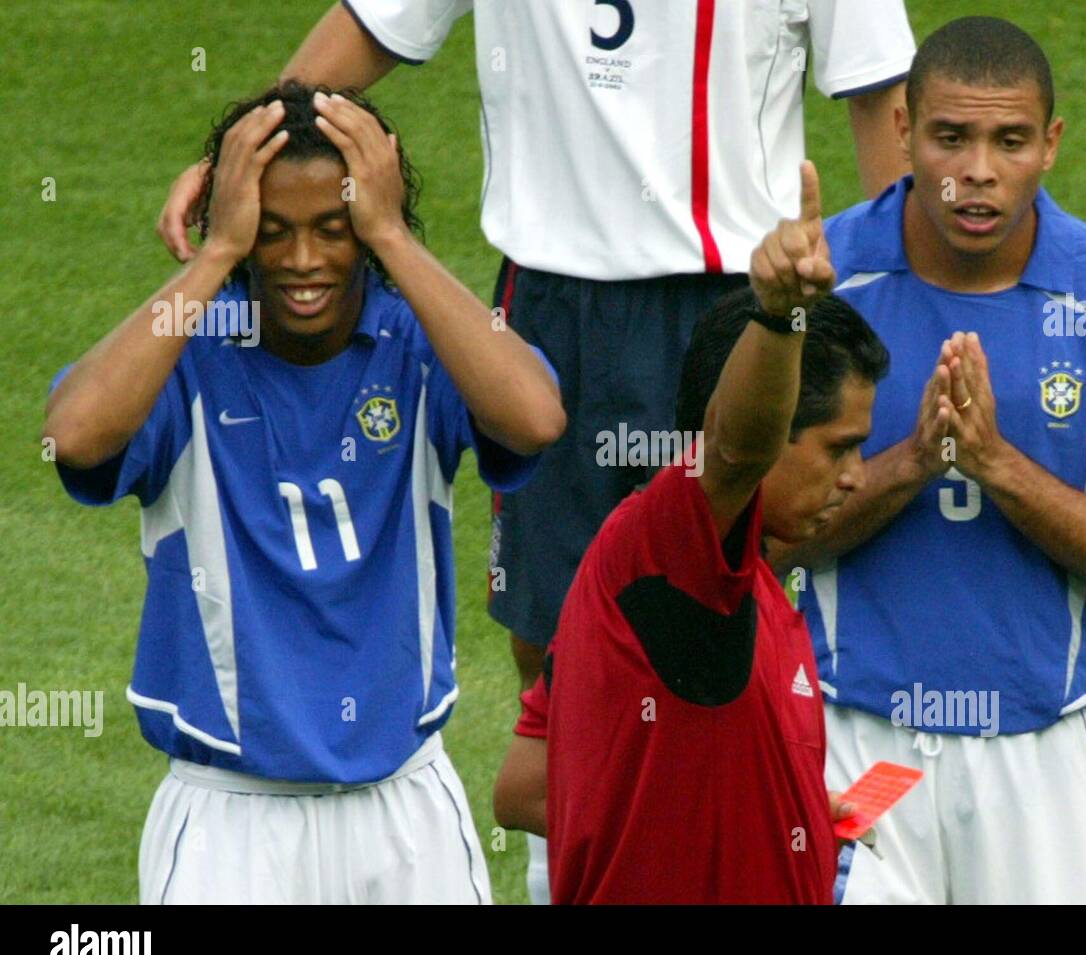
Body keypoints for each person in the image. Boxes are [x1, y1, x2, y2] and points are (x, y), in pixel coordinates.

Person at [155, 0, 917, 904]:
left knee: (744, 599)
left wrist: (855, 329)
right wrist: (247, 150)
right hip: (558, 299)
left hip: (733, 301)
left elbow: (876, 91)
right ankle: (582, 878)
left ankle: (765, 826)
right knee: (559, 642)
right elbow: (378, 23)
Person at [43, 81, 565, 904]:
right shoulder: (187, 355)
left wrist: (393, 234)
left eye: (335, 228)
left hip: (406, 811)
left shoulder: (422, 346)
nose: (302, 260)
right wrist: (215, 255)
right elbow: (71, 435)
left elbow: (535, 417)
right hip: (228, 824)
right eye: (273, 232)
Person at [772, 17, 1086, 904]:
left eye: (1010, 140)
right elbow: (762, 542)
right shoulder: (823, 288)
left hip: (1049, 763)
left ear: (1051, 145)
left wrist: (997, 466)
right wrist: (914, 462)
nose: (977, 170)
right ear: (902, 130)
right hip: (854, 747)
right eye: (951, 137)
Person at [499, 163, 890, 904]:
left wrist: (781, 822)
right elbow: (737, 449)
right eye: (839, 447)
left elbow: (521, 789)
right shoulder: (667, 554)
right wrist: (777, 318)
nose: (856, 477)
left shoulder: (733, 588)